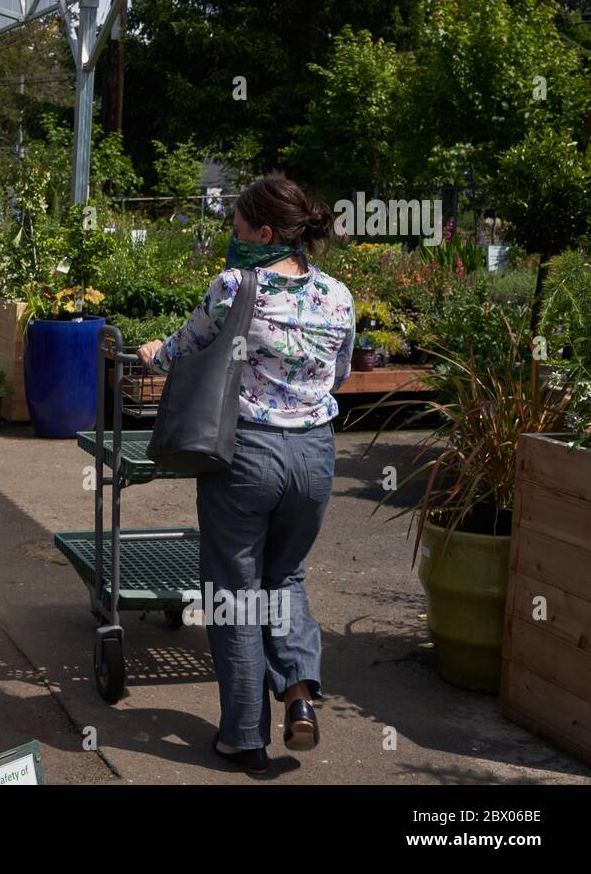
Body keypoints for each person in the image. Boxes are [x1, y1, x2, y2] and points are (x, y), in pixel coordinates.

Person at [137, 176, 355, 777]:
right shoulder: (339, 295)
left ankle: (243, 737)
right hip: (315, 457)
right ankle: (299, 694)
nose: (231, 240)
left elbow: (186, 346)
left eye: (237, 229)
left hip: (248, 456)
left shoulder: (235, 286)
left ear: (263, 233)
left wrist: (155, 350)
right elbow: (335, 375)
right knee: (284, 575)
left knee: (235, 595)